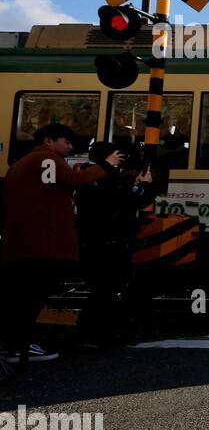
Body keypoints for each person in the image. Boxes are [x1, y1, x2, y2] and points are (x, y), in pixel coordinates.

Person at [1, 124, 120, 366]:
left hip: (23, 243)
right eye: (66, 141)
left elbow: (58, 184)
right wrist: (106, 165)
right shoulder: (45, 159)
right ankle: (19, 346)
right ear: (48, 140)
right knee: (31, 296)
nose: (70, 147)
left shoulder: (20, 164)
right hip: (42, 244)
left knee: (21, 296)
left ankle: (14, 344)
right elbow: (74, 180)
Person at [75, 142, 157, 347]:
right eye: (116, 154)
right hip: (108, 241)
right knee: (105, 289)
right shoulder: (104, 178)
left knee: (103, 289)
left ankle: (94, 333)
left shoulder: (90, 176)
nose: (120, 158)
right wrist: (144, 185)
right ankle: (93, 335)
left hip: (94, 240)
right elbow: (128, 202)